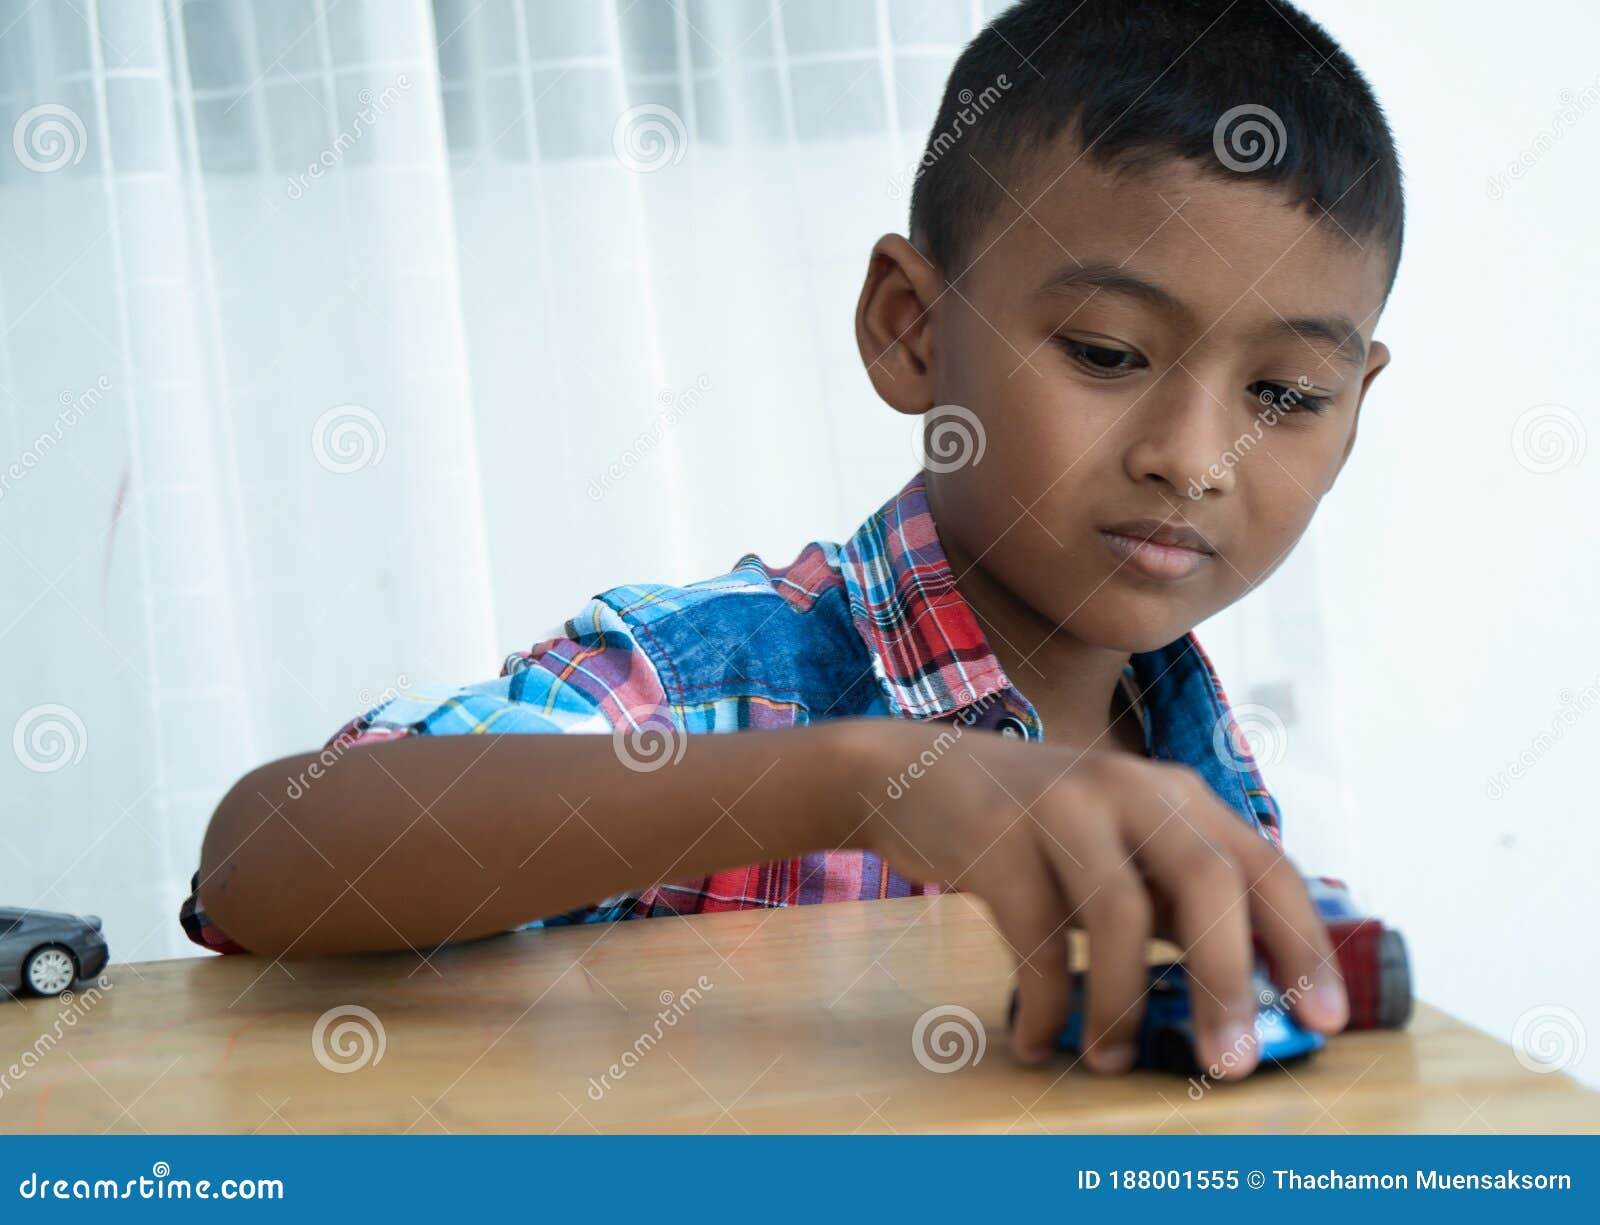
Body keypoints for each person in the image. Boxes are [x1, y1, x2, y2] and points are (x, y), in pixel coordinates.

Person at [184, 0, 1401, 1079]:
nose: (1193, 456)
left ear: (1352, 420)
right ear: (910, 328)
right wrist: (859, 783)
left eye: (1286, 394)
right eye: (1104, 353)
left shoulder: (1206, 761)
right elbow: (268, 850)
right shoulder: (716, 680)